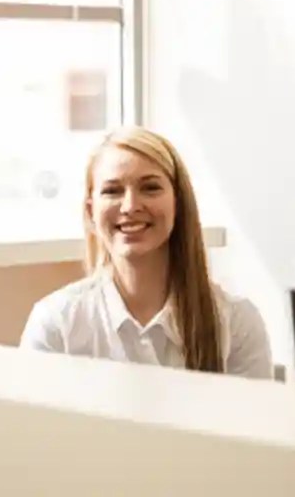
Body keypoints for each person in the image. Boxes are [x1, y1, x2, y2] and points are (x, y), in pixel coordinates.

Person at [19, 126, 273, 379]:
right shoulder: (56, 323)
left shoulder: (238, 323)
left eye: (150, 188)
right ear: (90, 212)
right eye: (112, 191)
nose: (130, 206)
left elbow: (254, 419)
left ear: (178, 203)